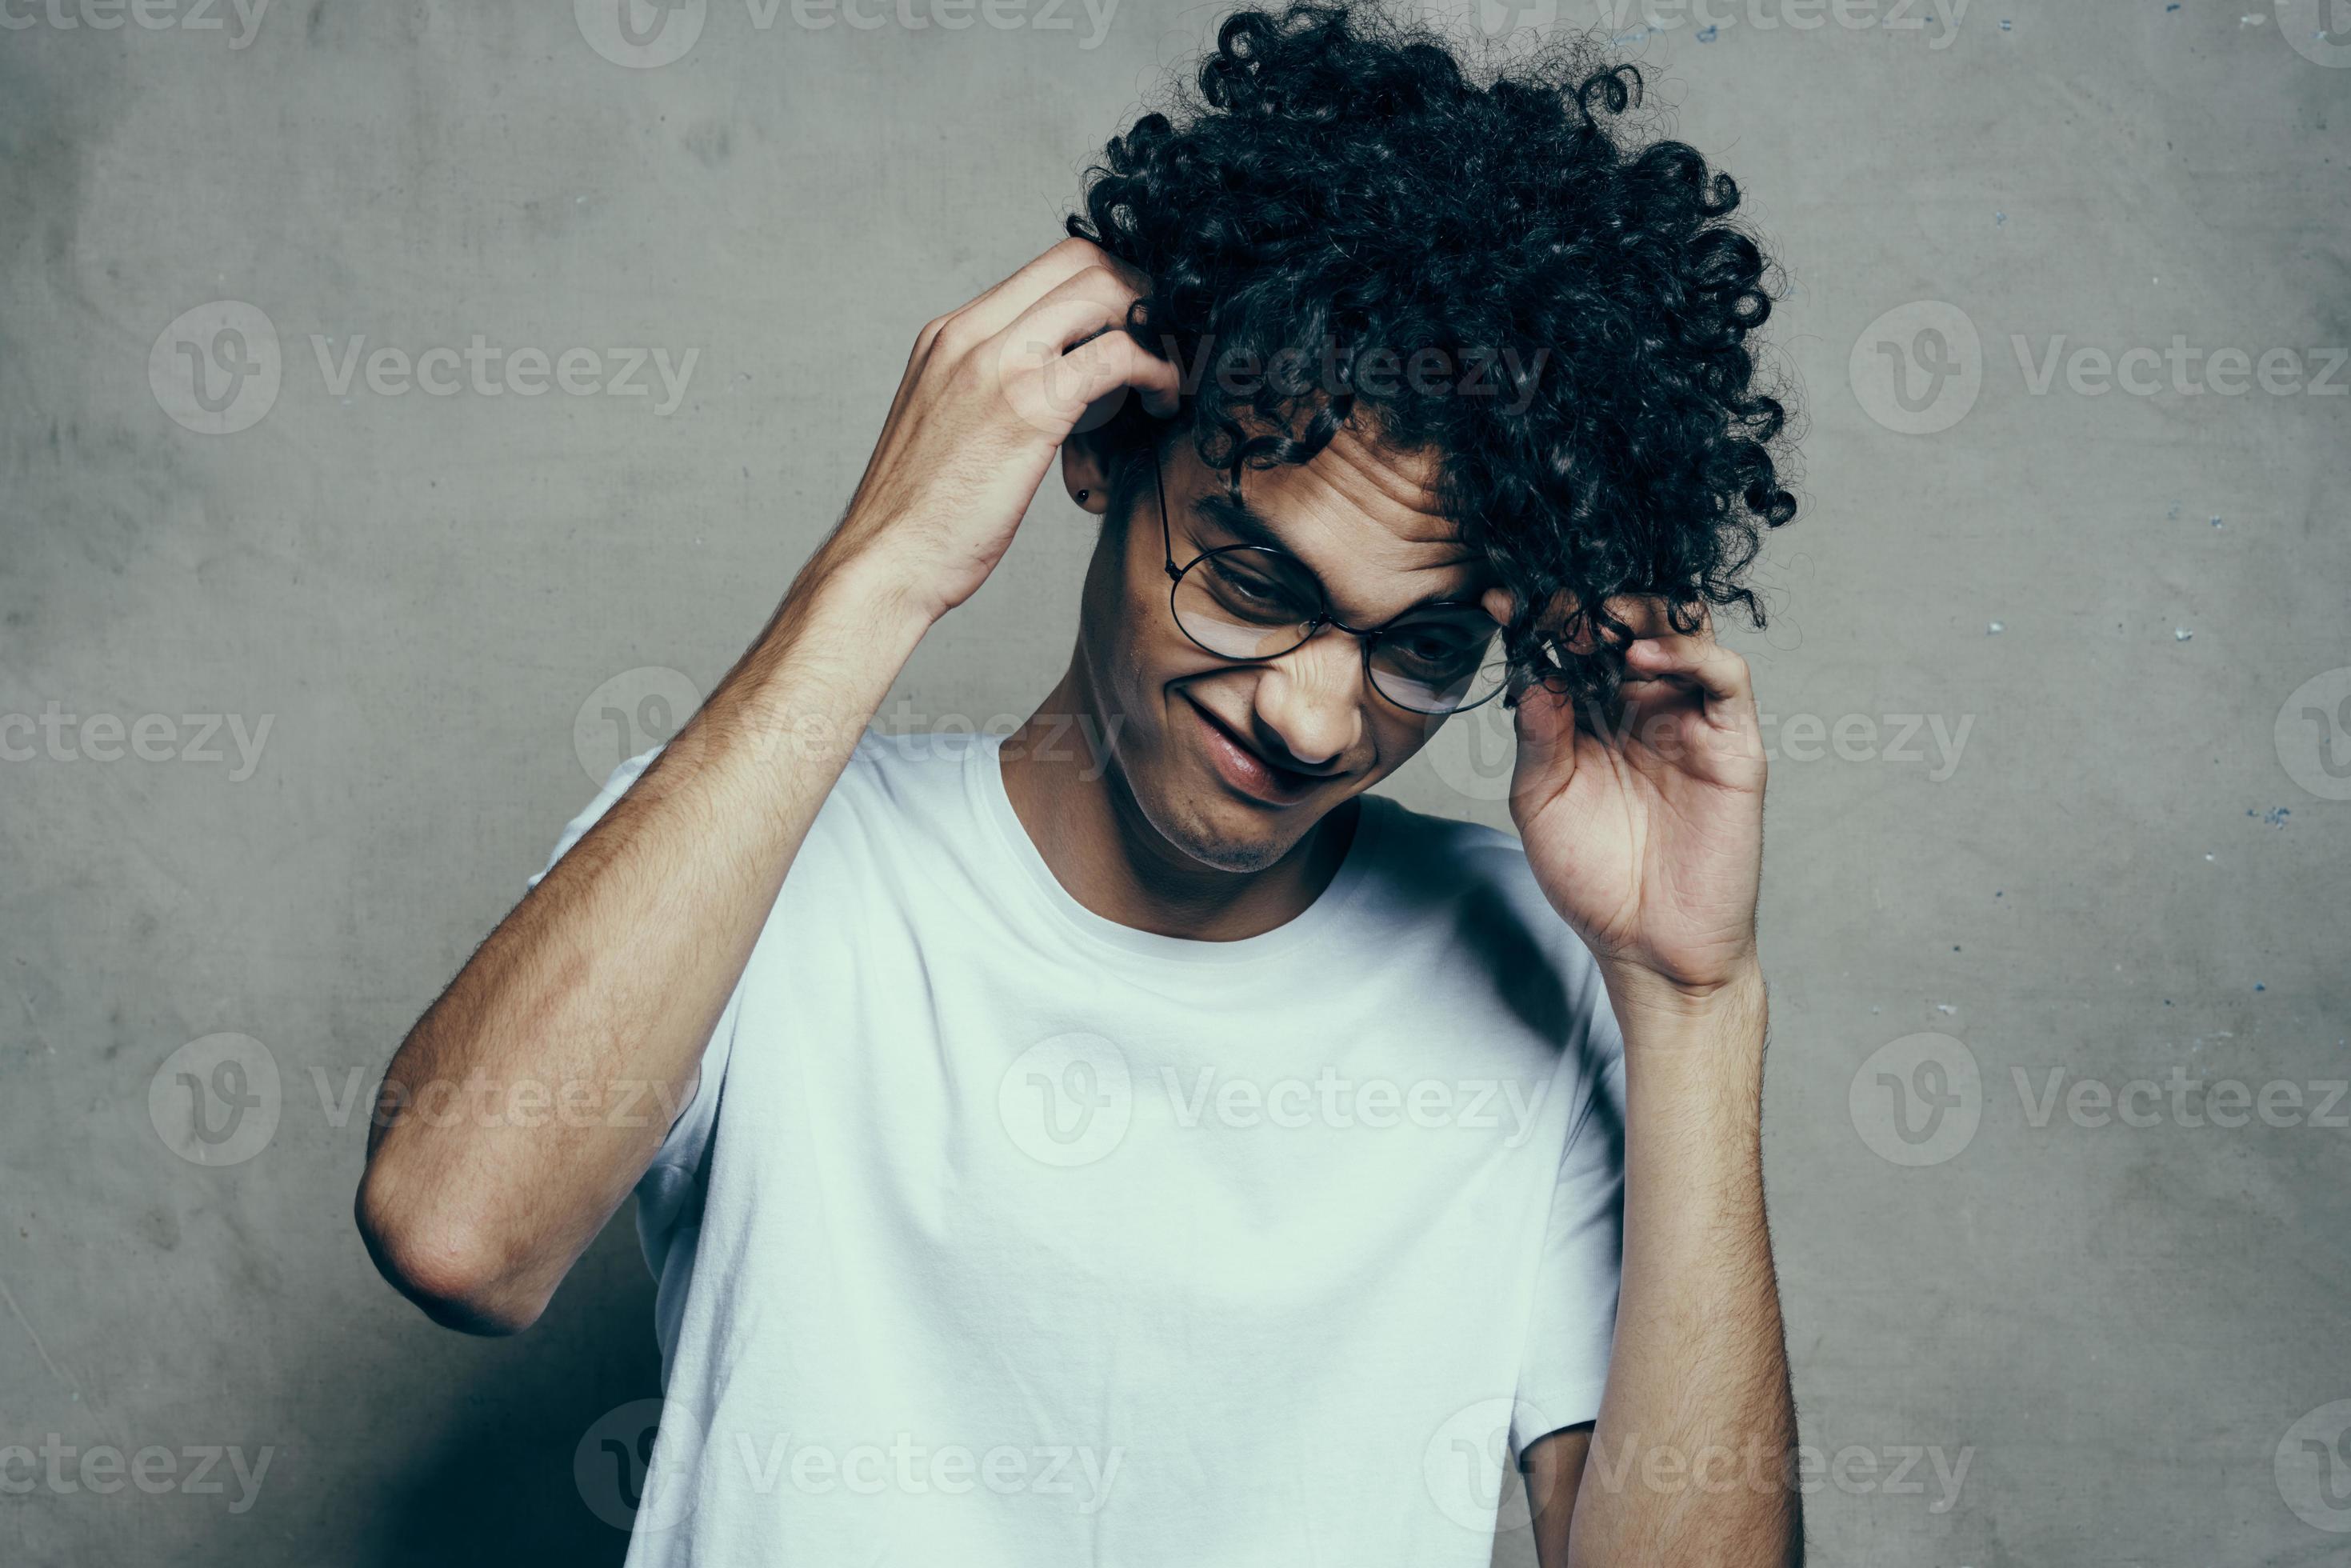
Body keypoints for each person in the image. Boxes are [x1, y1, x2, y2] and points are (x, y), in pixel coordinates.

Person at [356, 4, 1802, 1562]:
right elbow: (457, 1232)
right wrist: (883, 566)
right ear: (1103, 448)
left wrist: (1690, 994)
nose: (1316, 715)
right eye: (1251, 578)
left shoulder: (1543, 966)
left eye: (1422, 644)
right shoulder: (759, 844)